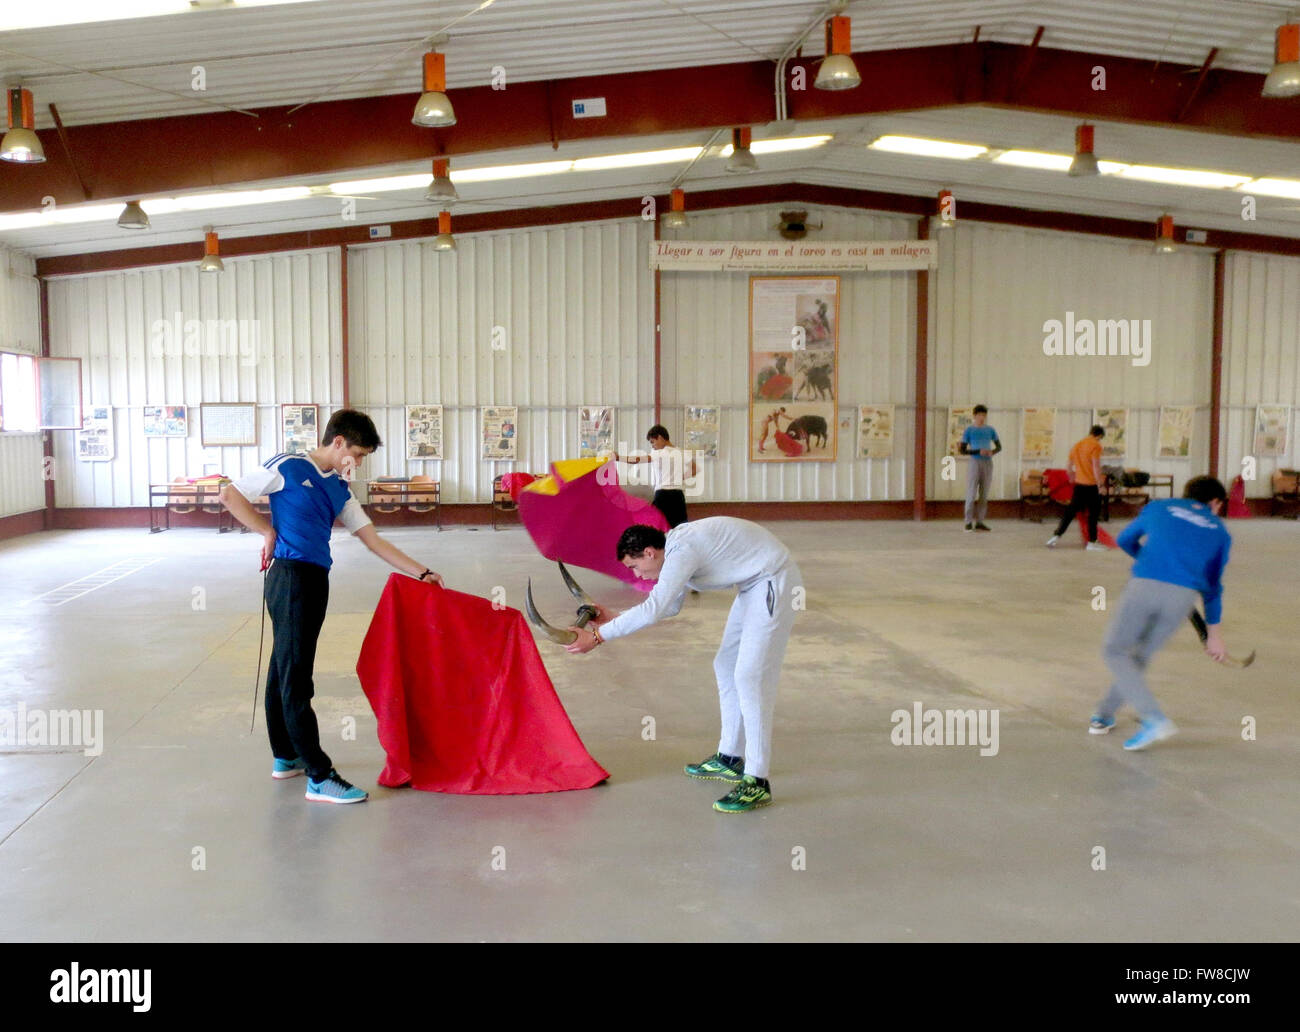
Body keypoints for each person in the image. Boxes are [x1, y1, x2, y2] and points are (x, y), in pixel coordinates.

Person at [219, 409, 444, 805]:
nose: (356, 463)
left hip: (314, 582)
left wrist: (422, 572)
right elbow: (230, 493)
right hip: (289, 579)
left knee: (283, 668)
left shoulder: (339, 488)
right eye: (355, 455)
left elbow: (374, 541)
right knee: (296, 677)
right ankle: (319, 776)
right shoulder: (287, 466)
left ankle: (286, 755)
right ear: (337, 441)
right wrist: (266, 530)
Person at [564, 518, 802, 814]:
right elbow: (670, 605)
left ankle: (757, 780)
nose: (638, 574)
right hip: (753, 585)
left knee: (749, 677)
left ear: (650, 552)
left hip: (774, 582)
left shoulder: (682, 550)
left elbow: (656, 608)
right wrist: (612, 616)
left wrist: (597, 636)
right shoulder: (673, 552)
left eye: (635, 566)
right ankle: (730, 757)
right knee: (726, 667)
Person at [1088, 475, 1232, 750]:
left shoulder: (1159, 507)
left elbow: (1125, 539)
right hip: (1182, 597)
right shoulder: (1220, 532)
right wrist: (1214, 635)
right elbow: (1213, 588)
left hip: (1144, 586)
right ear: (1215, 502)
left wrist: (1149, 558)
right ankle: (1104, 715)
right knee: (1138, 657)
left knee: (1115, 651)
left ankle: (1153, 718)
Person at [618, 424, 696, 528]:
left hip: (663, 495)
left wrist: (618, 458)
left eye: (652, 442)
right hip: (678, 495)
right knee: (680, 526)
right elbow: (695, 469)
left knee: (654, 525)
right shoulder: (681, 452)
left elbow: (637, 460)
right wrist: (680, 477)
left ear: (660, 437)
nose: (652, 446)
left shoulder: (659, 453)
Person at [1046, 425, 1106, 550]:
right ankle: (1092, 542)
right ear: (1099, 435)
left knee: (1070, 512)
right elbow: (1096, 467)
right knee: (1093, 514)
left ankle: (1056, 536)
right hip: (1092, 486)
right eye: (1100, 438)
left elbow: (1068, 465)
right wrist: (1100, 485)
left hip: (1079, 485)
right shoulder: (1096, 445)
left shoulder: (1077, 445)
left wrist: (1072, 477)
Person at [958, 404, 1001, 531]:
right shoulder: (969, 430)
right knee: (971, 493)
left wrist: (992, 452)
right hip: (975, 463)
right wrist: (977, 451)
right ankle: (968, 521)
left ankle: (980, 521)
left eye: (984, 415)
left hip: (987, 463)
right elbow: (963, 450)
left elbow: (999, 447)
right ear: (975, 416)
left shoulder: (990, 430)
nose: (982, 418)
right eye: (979, 415)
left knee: (984, 494)